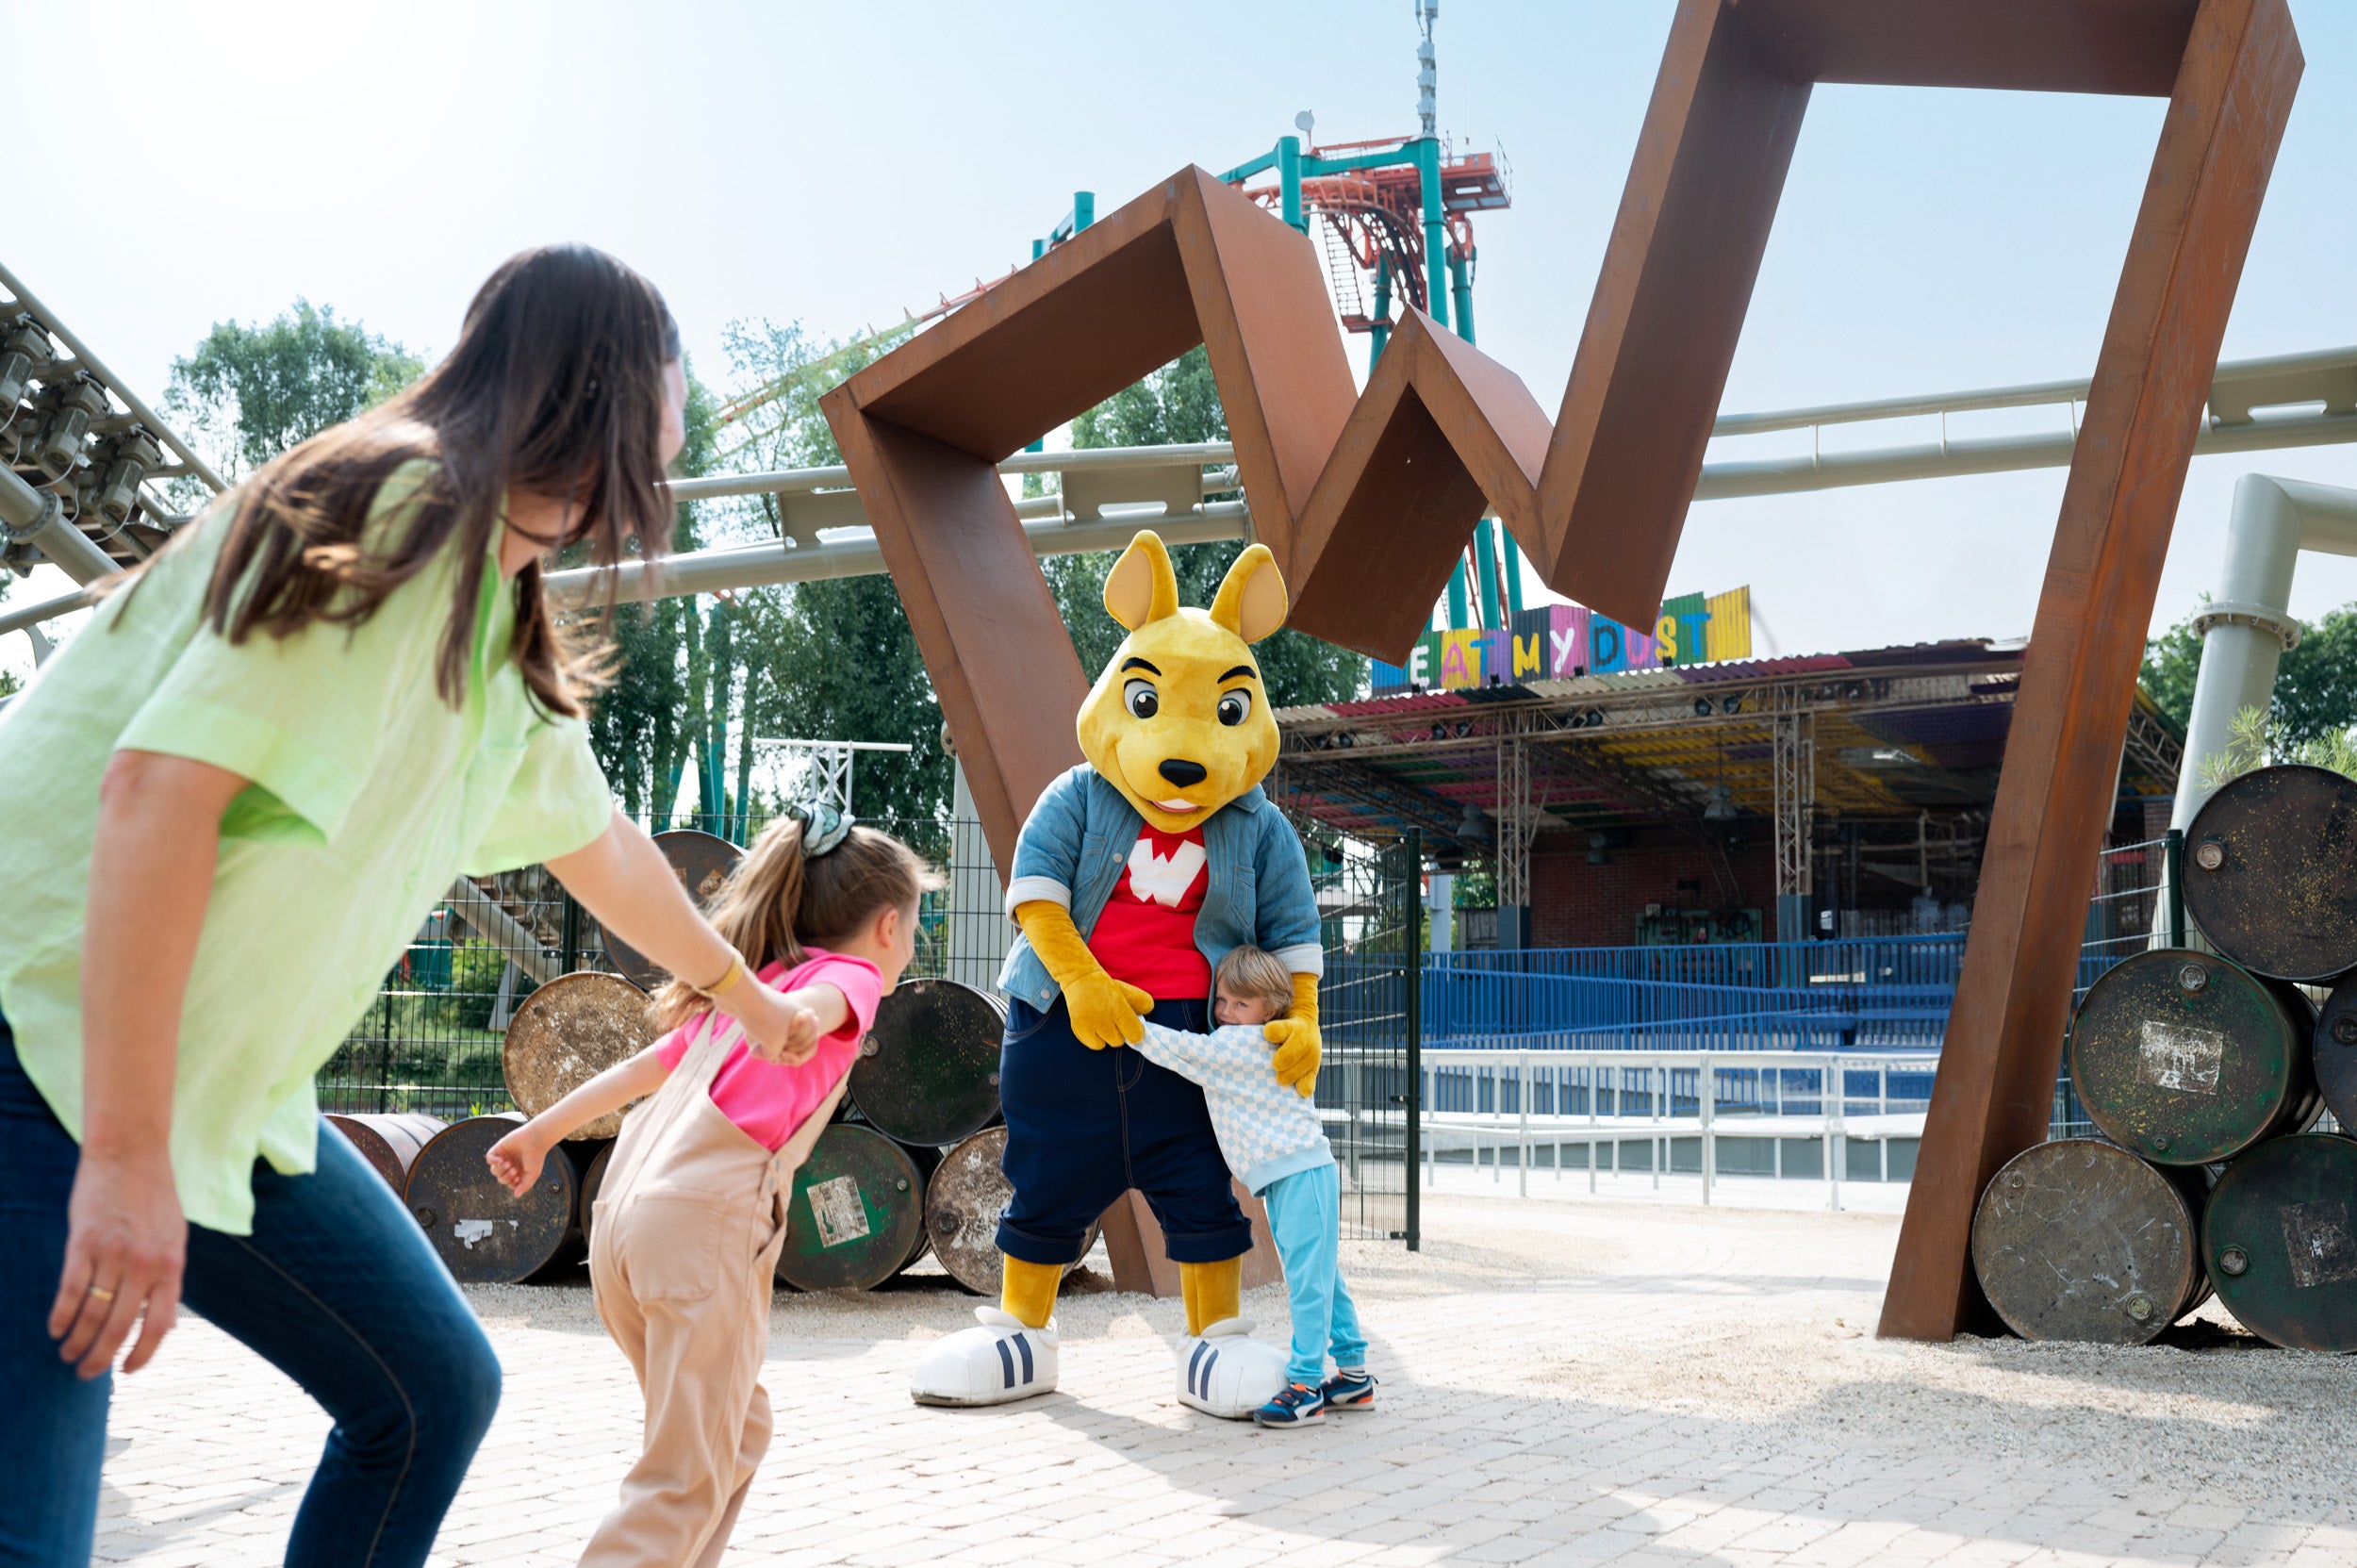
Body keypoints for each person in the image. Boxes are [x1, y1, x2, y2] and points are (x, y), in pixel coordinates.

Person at [0, 244, 820, 1568]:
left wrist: (749, 995)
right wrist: (130, 1152)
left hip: (208, 1090)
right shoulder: (397, 510)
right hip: (39, 1042)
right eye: (668, 403)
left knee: (428, 1388)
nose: (673, 443)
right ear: (601, 388)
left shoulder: (492, 607)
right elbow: (155, 792)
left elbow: (600, 845)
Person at [486, 808, 941, 1568]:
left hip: (622, 1224)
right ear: (887, 928)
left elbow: (644, 1069)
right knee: (682, 1477)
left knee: (737, 1428)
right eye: (915, 930)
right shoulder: (842, 980)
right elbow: (825, 1008)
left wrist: (540, 1132)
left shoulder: (752, 987)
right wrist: (795, 1018)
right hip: (699, 1230)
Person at [1129, 944, 1375, 1428]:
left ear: (1272, 1008)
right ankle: (1354, 1375)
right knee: (1323, 1276)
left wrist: (1128, 1025)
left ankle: (1305, 1386)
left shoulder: (1240, 1045)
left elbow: (1180, 1051)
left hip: (1300, 1175)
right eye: (1221, 1001)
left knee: (1308, 1284)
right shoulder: (1260, 1039)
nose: (1225, 1013)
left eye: (1241, 1003)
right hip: (1292, 1177)